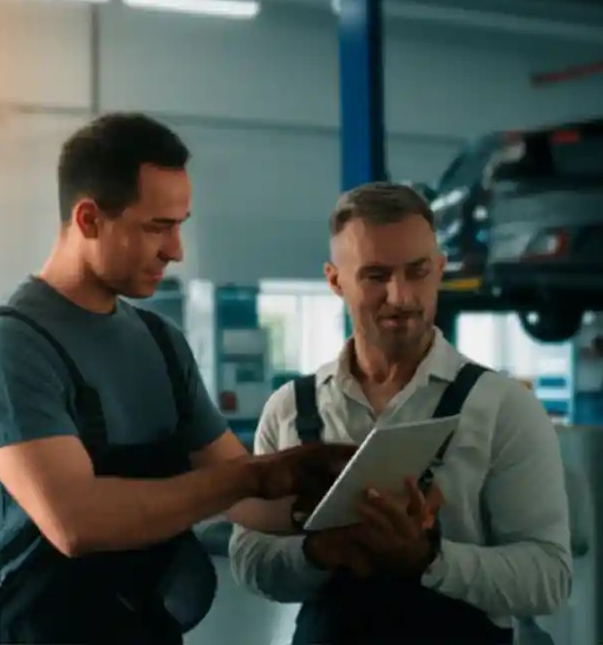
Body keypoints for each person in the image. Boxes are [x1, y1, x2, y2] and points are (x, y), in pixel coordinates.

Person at [0, 112, 356, 645]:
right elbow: (76, 522)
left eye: (180, 224)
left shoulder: (161, 344)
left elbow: (246, 499)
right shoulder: (10, 348)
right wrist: (255, 474)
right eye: (157, 227)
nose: (176, 250)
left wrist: (341, 509)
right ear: (89, 219)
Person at [228, 182, 572, 644]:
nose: (401, 296)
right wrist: (317, 551)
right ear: (335, 281)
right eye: (375, 276)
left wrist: (430, 560)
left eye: (417, 271)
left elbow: (549, 578)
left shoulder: (503, 407)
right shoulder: (290, 409)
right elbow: (249, 560)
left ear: (439, 270)